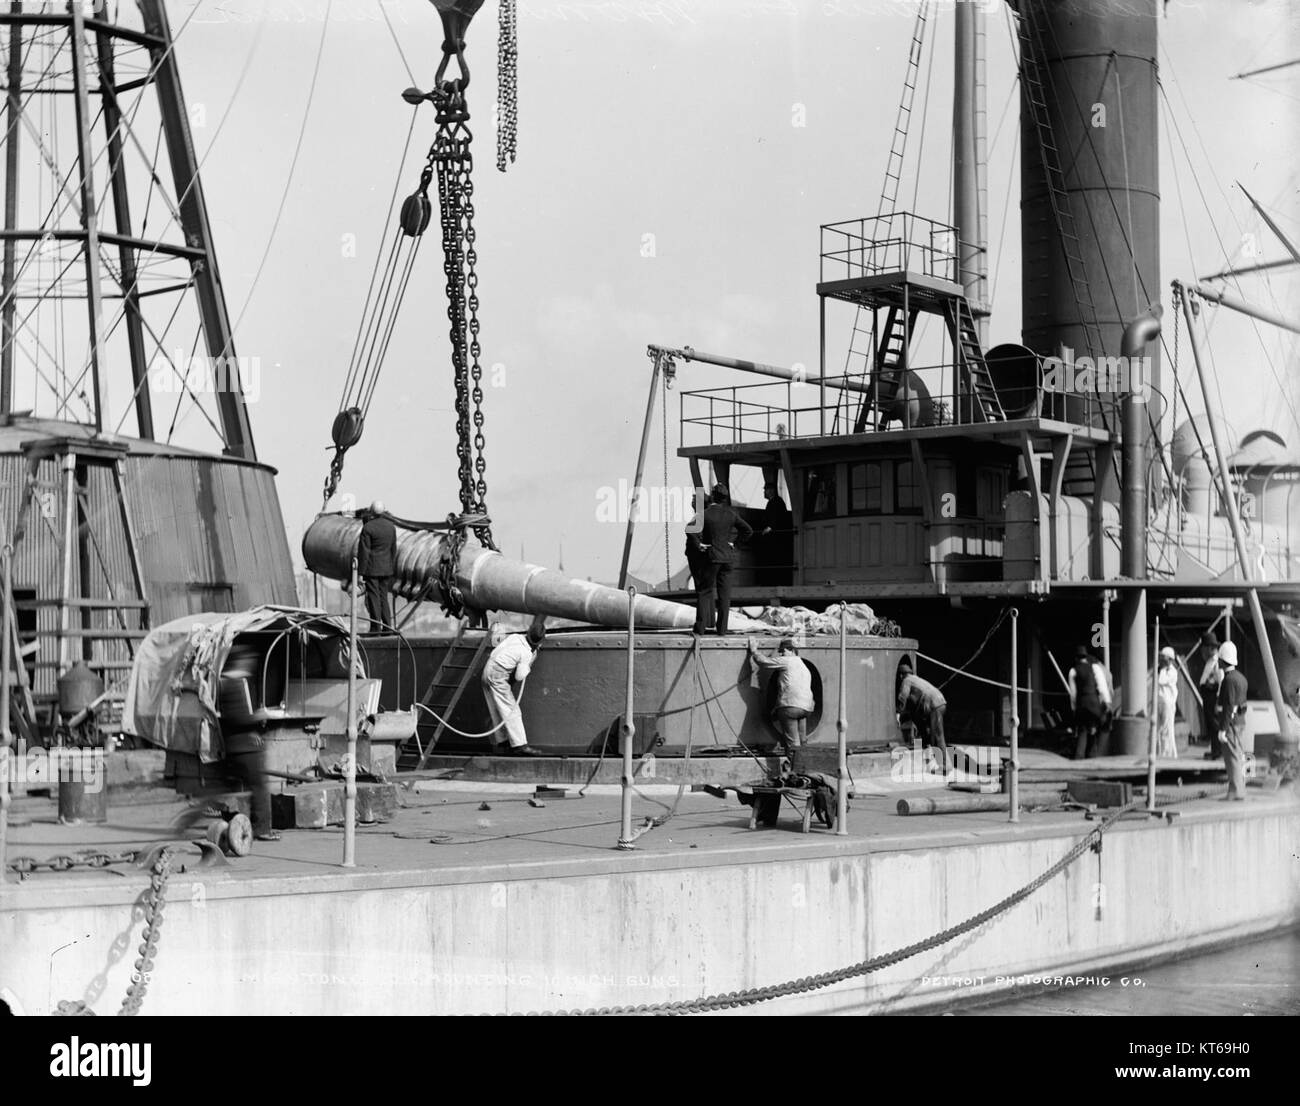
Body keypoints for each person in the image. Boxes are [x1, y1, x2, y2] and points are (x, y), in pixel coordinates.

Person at [689, 484, 753, 636]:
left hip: (712, 558)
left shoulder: (705, 514)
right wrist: (735, 544)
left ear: (712, 495)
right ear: (724, 498)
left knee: (705, 592)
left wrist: (699, 545)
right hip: (728, 560)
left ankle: (700, 629)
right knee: (724, 596)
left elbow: (689, 529)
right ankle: (722, 630)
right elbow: (748, 530)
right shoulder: (731, 514)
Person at [482, 621, 546, 757]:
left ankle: (502, 741)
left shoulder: (515, 637)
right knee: (512, 710)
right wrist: (528, 663)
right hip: (498, 675)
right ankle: (520, 745)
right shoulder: (526, 653)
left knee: (496, 709)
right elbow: (519, 676)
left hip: (487, 669)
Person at [748, 637, 814, 756]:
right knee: (802, 741)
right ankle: (805, 767)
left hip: (790, 707)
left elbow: (764, 662)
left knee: (793, 744)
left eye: (783, 651)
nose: (782, 654)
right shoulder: (803, 665)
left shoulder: (788, 660)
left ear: (791, 650)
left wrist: (754, 651)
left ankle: (794, 770)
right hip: (806, 708)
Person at [896, 660, 949, 774]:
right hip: (939, 702)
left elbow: (903, 696)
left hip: (934, 705)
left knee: (938, 736)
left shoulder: (906, 680)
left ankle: (944, 766)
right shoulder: (916, 679)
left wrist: (898, 712)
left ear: (901, 675)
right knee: (929, 735)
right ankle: (934, 764)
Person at [1215, 640, 1249, 800]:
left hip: (1231, 723)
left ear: (1223, 660)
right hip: (1240, 721)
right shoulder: (1241, 678)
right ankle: (1235, 790)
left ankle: (1236, 792)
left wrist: (1222, 728)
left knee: (1232, 758)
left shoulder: (1228, 680)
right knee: (1238, 756)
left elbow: (1228, 705)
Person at [357, 500, 397, 633]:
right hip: (386, 569)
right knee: (384, 597)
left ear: (372, 511)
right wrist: (390, 566)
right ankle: (388, 627)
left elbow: (364, 552)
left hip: (372, 569)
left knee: (373, 598)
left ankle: (375, 628)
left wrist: (360, 573)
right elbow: (393, 550)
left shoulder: (368, 528)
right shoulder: (391, 527)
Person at [1068, 645, 1113, 760]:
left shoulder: (1073, 671)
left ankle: (1079, 757)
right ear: (1086, 657)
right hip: (1093, 704)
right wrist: (1107, 702)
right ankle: (1092, 756)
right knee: (1093, 729)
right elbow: (1102, 687)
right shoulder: (1094, 668)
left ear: (1076, 658)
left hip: (1081, 705)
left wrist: (1073, 708)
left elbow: (1073, 693)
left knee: (1082, 730)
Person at [759, 481, 793, 588]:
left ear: (771, 491)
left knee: (772, 560)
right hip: (779, 539)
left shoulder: (775, 502)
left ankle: (771, 582)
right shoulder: (778, 502)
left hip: (776, 539)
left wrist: (768, 529)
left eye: (766, 489)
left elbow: (775, 519)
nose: (764, 492)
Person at [1196, 631, 1224, 759]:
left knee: (1215, 724)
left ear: (1210, 648)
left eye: (1205, 648)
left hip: (1213, 696)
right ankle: (1214, 749)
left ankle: (1218, 751)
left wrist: (1218, 700)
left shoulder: (1217, 662)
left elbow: (1221, 681)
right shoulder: (1210, 661)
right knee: (1211, 724)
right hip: (1207, 696)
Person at [1156, 645, 1180, 759]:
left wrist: (1162, 668)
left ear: (1169, 659)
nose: (1161, 659)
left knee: (1167, 730)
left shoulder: (1172, 672)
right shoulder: (1160, 669)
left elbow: (1161, 680)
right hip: (1159, 701)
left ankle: (1169, 755)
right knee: (1159, 729)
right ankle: (1161, 753)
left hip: (1168, 703)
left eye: (1163, 657)